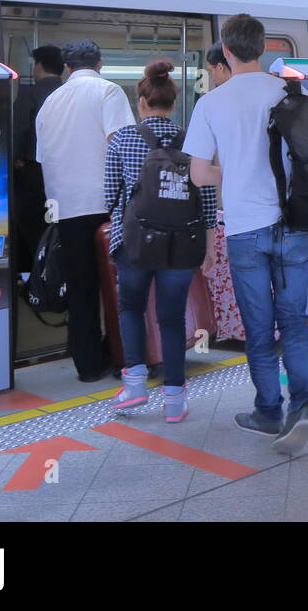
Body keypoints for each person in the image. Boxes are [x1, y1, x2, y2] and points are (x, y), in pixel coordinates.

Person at [185, 14, 308, 454]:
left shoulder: (211, 103)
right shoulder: (290, 91)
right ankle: (304, 408)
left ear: (225, 51)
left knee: (259, 329)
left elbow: (200, 174)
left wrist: (238, 171)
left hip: (244, 230)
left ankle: (267, 412)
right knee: (294, 321)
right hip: (294, 225)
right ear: (263, 48)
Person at [105, 59, 219, 423]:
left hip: (135, 243)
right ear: (173, 103)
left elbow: (110, 194)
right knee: (171, 318)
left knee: (131, 309)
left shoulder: (123, 138)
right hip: (181, 245)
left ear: (141, 102)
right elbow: (207, 199)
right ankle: (174, 400)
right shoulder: (193, 140)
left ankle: (135, 385)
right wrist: (210, 245)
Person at [36, 40, 135, 382]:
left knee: (82, 288)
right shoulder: (108, 92)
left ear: (66, 66)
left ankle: (88, 365)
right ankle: (126, 358)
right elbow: (122, 144)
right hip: (104, 204)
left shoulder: (50, 102)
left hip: (65, 207)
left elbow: (41, 157)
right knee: (118, 285)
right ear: (100, 63)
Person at [13, 44, 64, 273]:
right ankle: (57, 274)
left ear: (38, 66)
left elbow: (18, 130)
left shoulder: (29, 94)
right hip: (64, 173)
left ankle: (35, 276)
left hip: (32, 172)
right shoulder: (68, 93)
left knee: (30, 223)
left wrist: (15, 159)